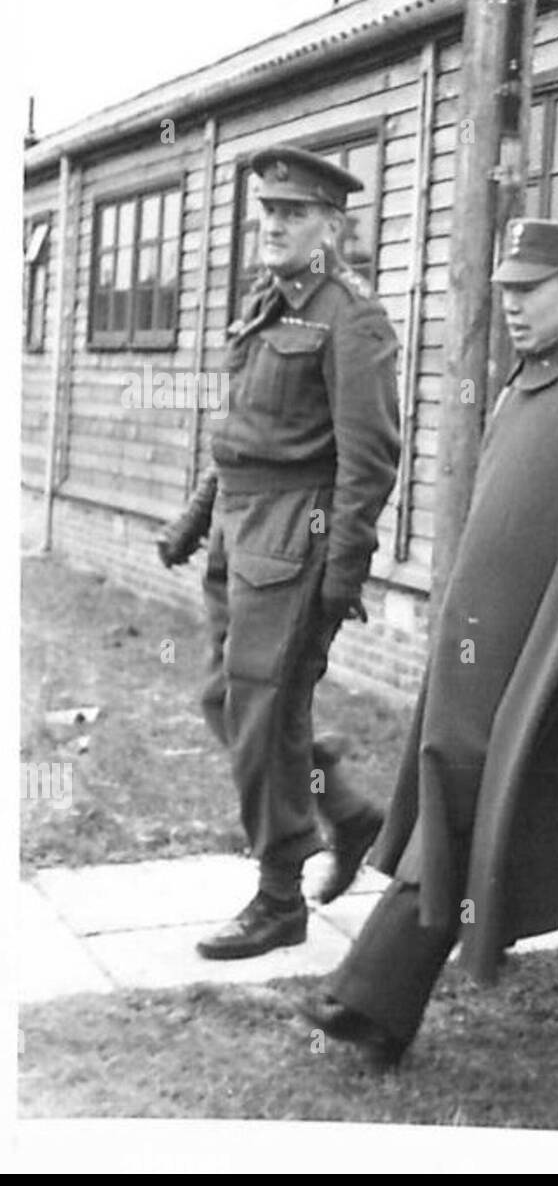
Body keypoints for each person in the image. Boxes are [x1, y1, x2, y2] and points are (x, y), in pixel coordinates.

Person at [297, 218, 558, 1071]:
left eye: (528, 292)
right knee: (506, 810)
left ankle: (375, 1001)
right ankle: (382, 1007)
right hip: (481, 660)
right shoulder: (518, 390)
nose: (511, 309)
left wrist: (549, 665)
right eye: (503, 293)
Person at [156, 145, 400, 959]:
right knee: (229, 702)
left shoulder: (350, 318)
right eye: (267, 212)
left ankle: (278, 896)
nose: (274, 226)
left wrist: (342, 575)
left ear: (332, 225)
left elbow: (369, 459)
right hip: (239, 531)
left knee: (261, 713)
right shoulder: (268, 304)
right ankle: (348, 810)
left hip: (298, 542)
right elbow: (238, 430)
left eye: (293, 214)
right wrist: (196, 518)